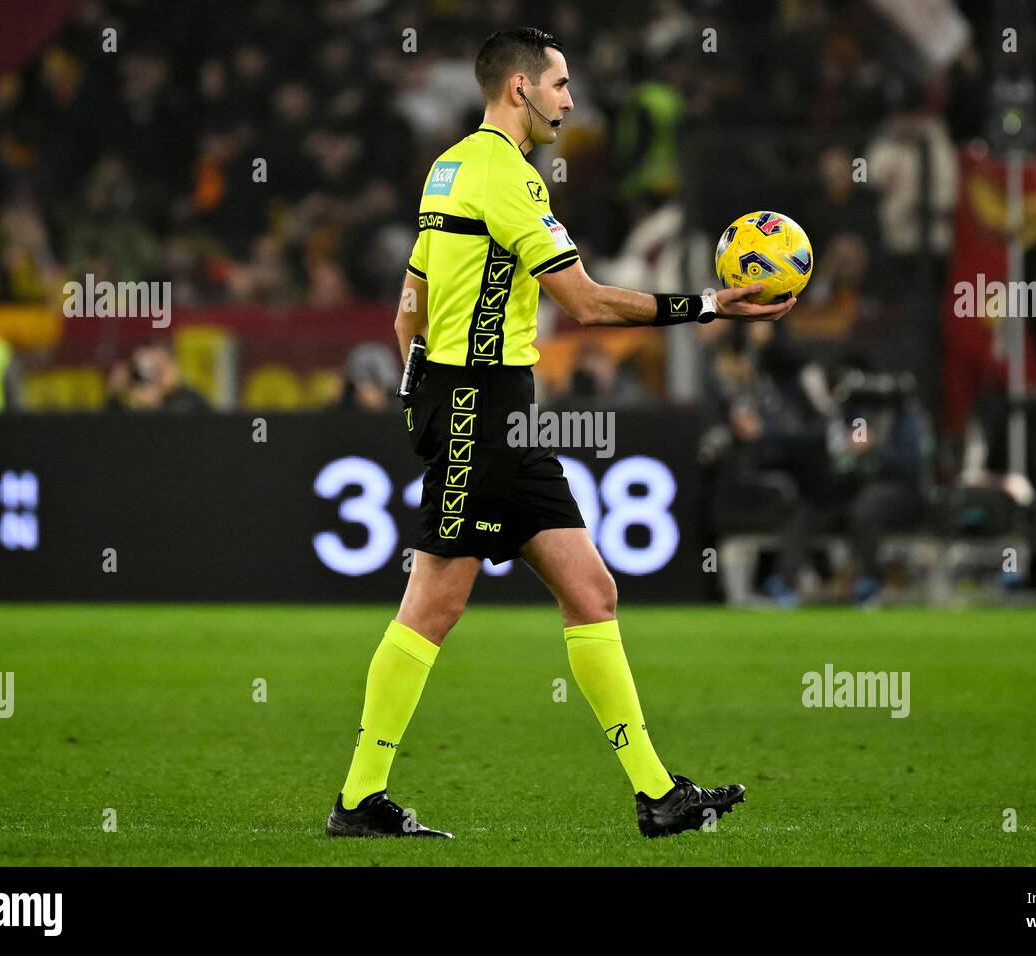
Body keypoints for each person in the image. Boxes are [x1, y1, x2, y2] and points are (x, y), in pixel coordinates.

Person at [327, 27, 795, 840]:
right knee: (434, 604)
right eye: (560, 85)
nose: (571, 102)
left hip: (488, 405)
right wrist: (711, 306)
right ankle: (360, 796)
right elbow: (585, 304)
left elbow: (409, 298)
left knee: (590, 591)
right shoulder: (507, 177)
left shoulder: (449, 167)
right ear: (519, 88)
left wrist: (416, 400)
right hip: (482, 403)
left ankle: (656, 794)